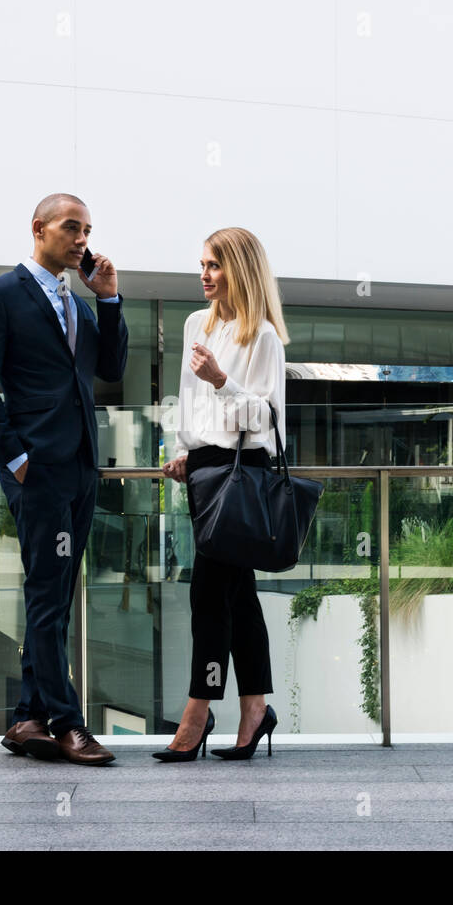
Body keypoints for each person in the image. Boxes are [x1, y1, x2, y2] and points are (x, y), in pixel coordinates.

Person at [0, 194, 128, 765]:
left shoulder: (79, 305)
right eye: (71, 228)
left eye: (87, 231)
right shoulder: (0, 295)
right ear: (39, 229)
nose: (82, 240)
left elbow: (111, 370)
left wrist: (108, 300)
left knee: (57, 593)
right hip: (37, 471)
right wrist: (16, 460)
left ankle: (28, 719)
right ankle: (67, 722)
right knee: (46, 593)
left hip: (82, 467)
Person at [156, 227, 289, 762]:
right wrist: (185, 446)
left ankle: (197, 711)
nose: (205, 275)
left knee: (208, 593)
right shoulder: (196, 324)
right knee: (238, 596)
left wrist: (220, 380)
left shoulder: (264, 339)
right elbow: (188, 401)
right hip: (206, 469)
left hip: (244, 469)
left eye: (214, 265)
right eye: (202, 265)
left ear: (240, 269)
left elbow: (266, 417)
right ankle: (255, 709)